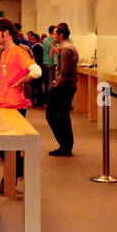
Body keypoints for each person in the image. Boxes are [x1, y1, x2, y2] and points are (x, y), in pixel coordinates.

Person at [0, 18, 40, 194]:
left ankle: (12, 177)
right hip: (3, 104)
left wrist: (22, 81)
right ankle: (16, 173)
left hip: (15, 106)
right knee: (4, 145)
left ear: (6, 33)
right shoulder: (3, 53)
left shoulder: (19, 52)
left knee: (9, 146)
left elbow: (36, 71)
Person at [46, 23, 79, 156]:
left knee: (54, 115)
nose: (53, 36)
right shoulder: (66, 47)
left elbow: (64, 72)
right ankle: (65, 145)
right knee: (62, 116)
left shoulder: (66, 49)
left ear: (61, 35)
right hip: (66, 87)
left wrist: (56, 86)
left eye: (55, 33)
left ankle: (65, 145)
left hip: (63, 87)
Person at [42, 25, 57, 98]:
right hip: (51, 63)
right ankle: (51, 99)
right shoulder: (53, 40)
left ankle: (47, 98)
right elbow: (53, 53)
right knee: (51, 82)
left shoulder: (45, 40)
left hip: (45, 63)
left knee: (47, 82)